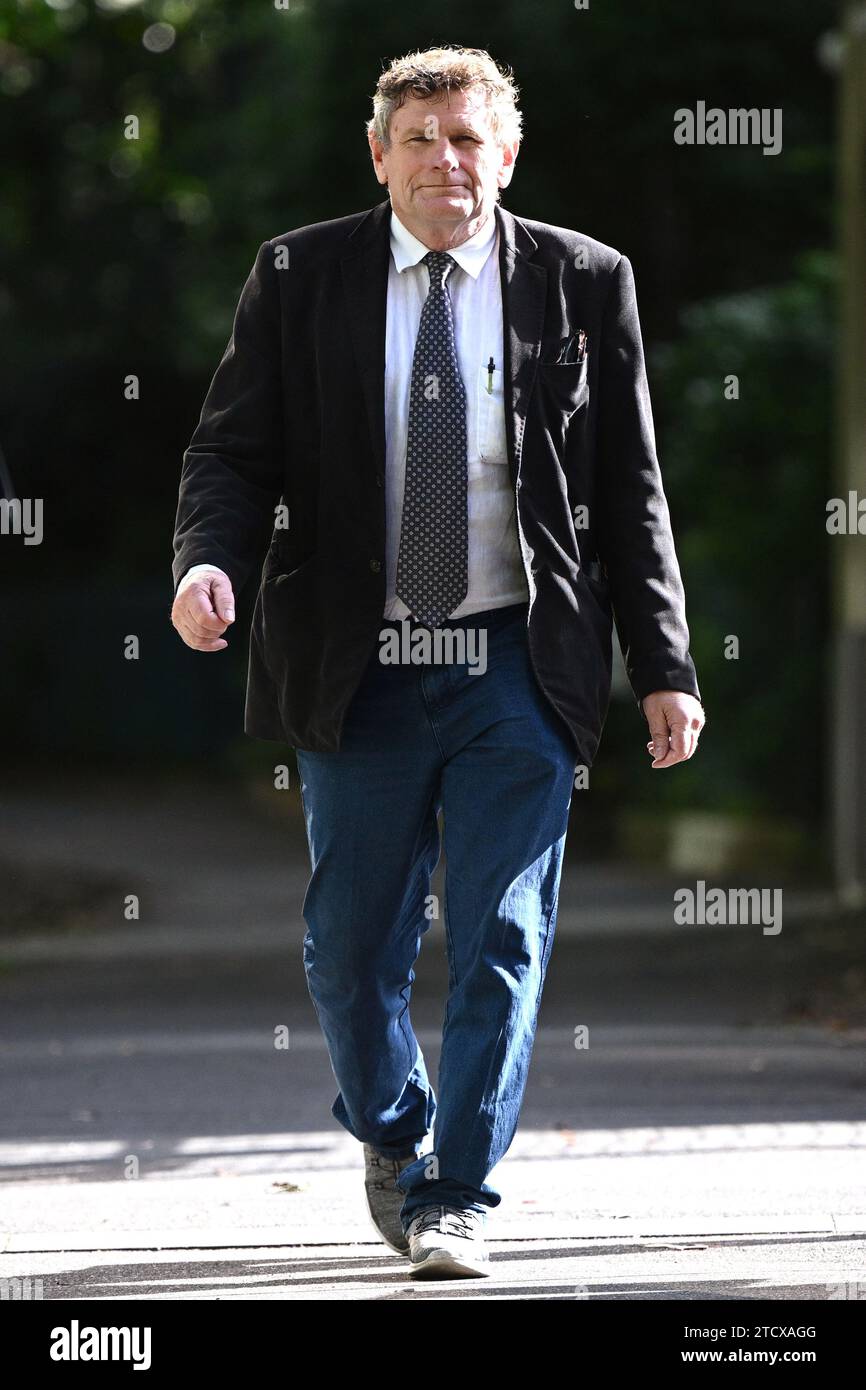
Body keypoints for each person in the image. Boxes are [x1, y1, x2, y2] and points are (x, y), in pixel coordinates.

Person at [170, 44, 705, 1280]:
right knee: (349, 947)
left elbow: (629, 490)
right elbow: (231, 454)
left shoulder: (582, 279)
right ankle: (393, 1131)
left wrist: (662, 663)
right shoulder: (301, 274)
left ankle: (456, 1192)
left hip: (517, 655)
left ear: (504, 154)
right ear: (378, 155)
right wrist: (211, 562)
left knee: (500, 932)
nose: (442, 161)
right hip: (357, 663)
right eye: (417, 141)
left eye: (465, 139)